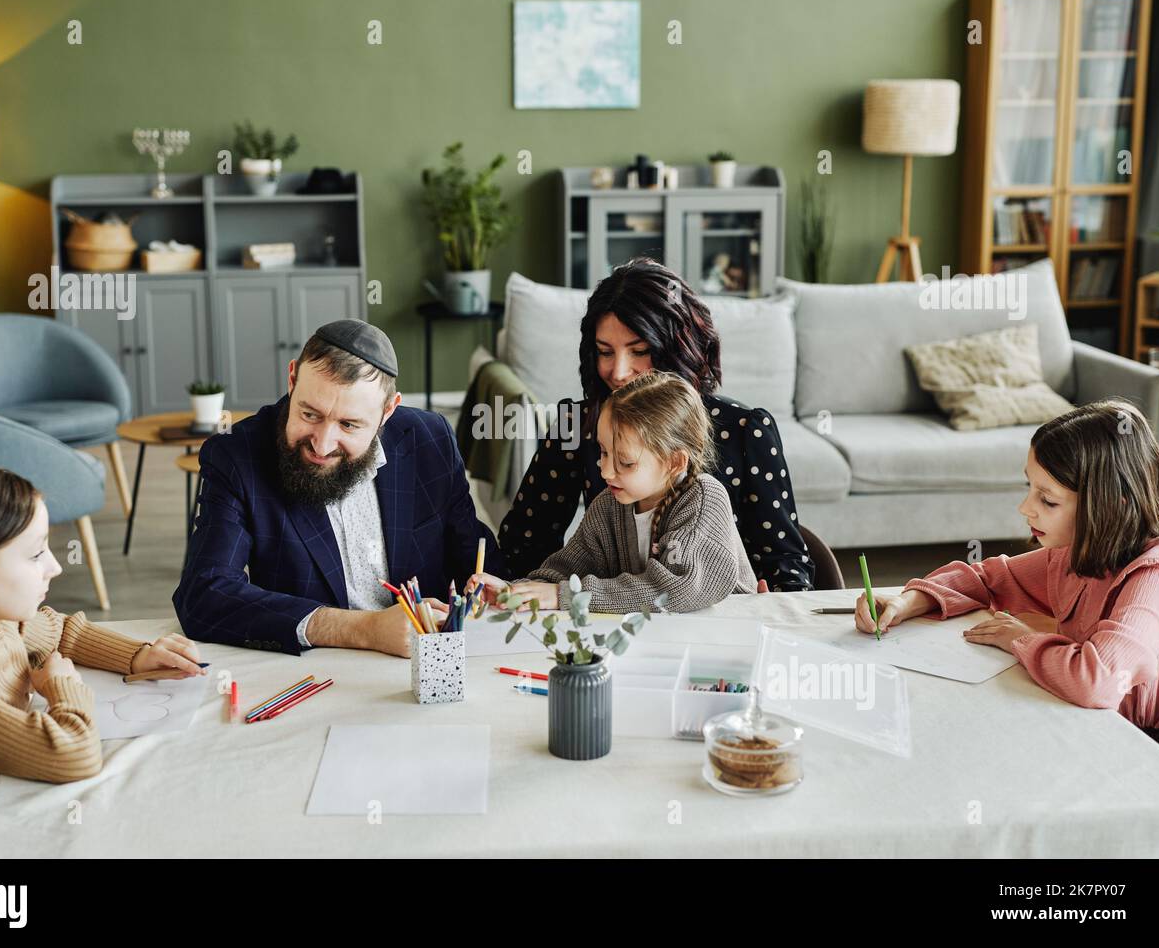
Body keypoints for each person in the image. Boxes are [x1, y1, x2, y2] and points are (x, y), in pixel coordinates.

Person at [0, 465, 202, 857]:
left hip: (4, 802)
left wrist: (137, 655)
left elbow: (61, 631)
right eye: (35, 554)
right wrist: (62, 688)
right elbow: (73, 755)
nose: (56, 566)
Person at [174, 318, 504, 657]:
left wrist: (497, 587)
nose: (322, 444)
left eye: (348, 424)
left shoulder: (429, 438)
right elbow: (205, 594)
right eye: (310, 414)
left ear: (388, 411)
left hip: (429, 662)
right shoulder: (236, 455)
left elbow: (475, 557)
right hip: (315, 669)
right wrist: (365, 630)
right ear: (292, 380)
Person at [855, 401, 1159, 736]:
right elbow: (986, 579)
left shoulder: (1152, 576)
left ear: (1111, 505)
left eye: (1048, 500)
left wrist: (1021, 638)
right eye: (1030, 488)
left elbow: (1097, 681)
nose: (1026, 508)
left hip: (1138, 745)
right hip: (1079, 720)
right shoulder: (1075, 553)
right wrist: (906, 602)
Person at [499, 257, 814, 591]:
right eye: (605, 352)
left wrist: (768, 608)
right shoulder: (576, 427)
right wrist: (518, 595)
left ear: (679, 348)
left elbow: (787, 568)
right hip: (613, 625)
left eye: (639, 350)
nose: (619, 372)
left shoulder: (743, 431)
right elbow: (523, 549)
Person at [472, 371, 755, 613]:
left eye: (625, 462)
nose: (606, 471)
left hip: (722, 638)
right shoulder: (610, 503)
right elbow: (566, 568)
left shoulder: (703, 498)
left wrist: (567, 596)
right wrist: (516, 592)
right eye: (603, 452)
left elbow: (677, 588)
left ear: (674, 462)